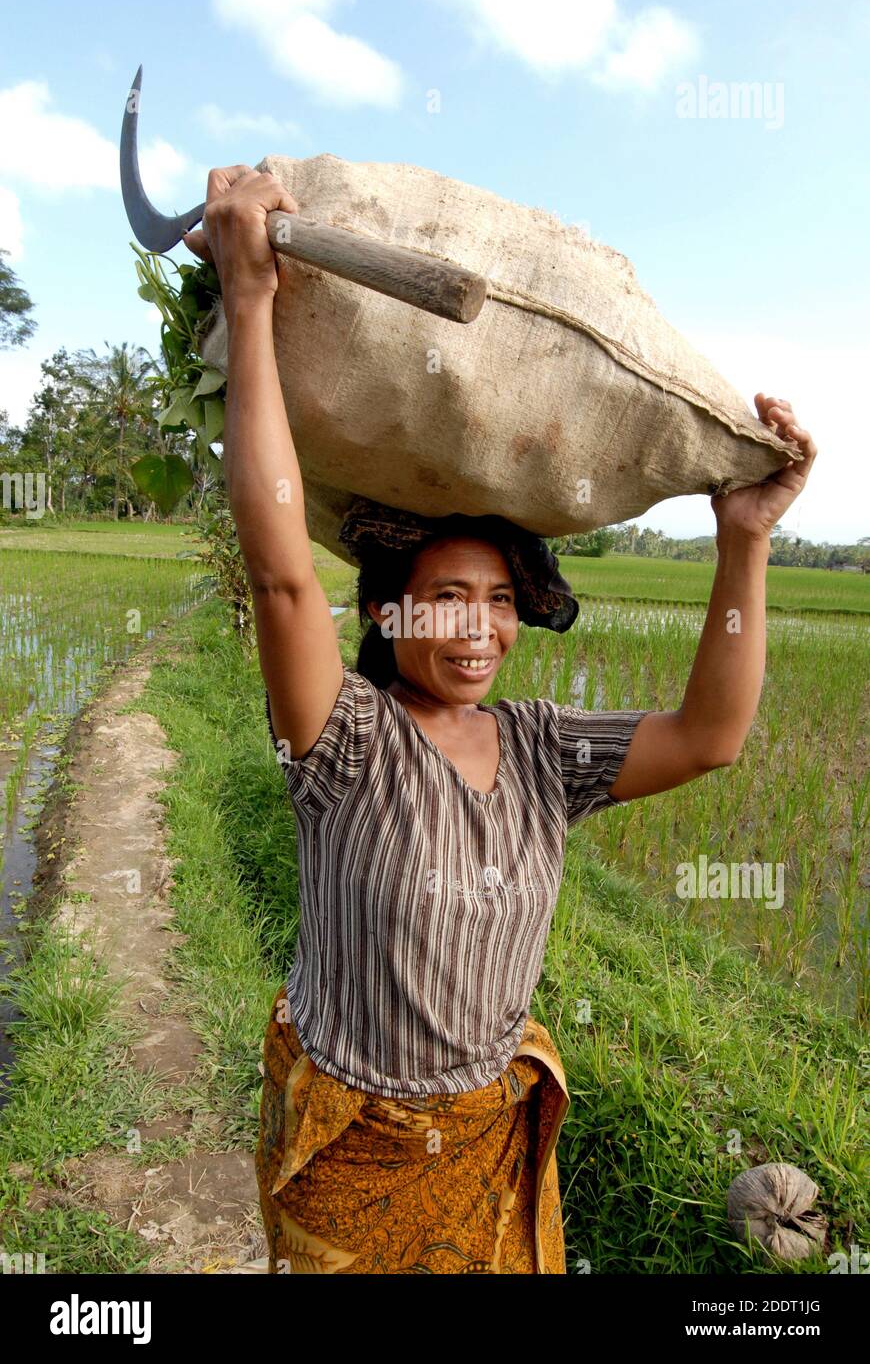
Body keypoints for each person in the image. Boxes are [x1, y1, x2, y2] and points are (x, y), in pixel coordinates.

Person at [183, 166, 817, 1275]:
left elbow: (711, 735)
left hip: (489, 1145)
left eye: (500, 600)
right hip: (354, 1158)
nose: (478, 628)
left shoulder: (540, 750)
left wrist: (746, 540)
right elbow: (283, 576)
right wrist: (248, 302)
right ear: (385, 609)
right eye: (445, 596)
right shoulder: (345, 742)